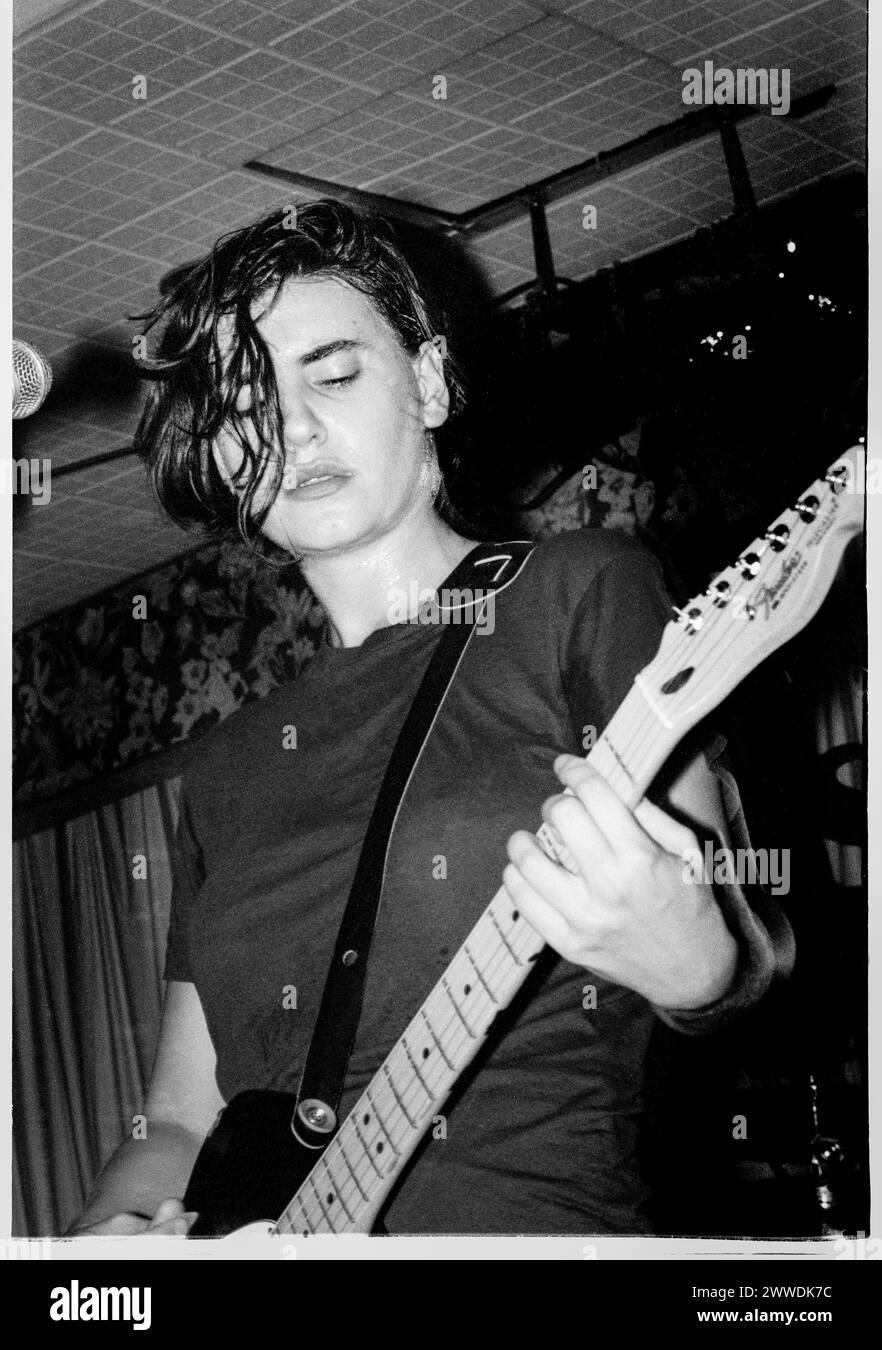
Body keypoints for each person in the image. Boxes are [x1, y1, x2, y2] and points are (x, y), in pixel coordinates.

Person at [69, 200, 793, 1238]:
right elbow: (180, 1116)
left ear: (431, 382)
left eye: (332, 370)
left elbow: (748, 934)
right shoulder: (225, 767)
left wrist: (702, 964)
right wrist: (109, 1238)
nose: (294, 427)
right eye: (243, 401)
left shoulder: (579, 594)